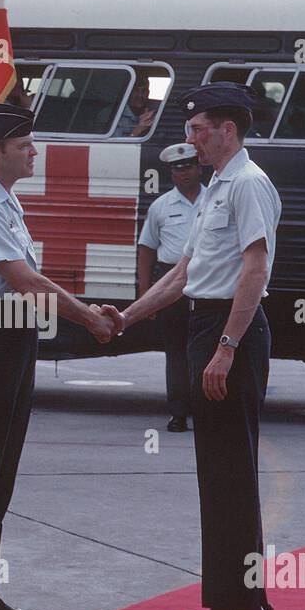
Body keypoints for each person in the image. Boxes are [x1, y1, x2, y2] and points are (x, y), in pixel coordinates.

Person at [104, 83, 282, 610]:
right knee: (219, 470)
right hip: (209, 323)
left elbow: (255, 269)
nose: (191, 139)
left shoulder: (248, 184)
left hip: (231, 327)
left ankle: (240, 609)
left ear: (228, 130)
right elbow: (183, 273)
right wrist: (126, 318)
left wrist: (227, 346)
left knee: (230, 470)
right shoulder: (216, 188)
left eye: (198, 129)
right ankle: (239, 601)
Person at [0, 102, 117, 610]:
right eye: (24, 147)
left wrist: (81, 309)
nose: (34, 153)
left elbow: (31, 285)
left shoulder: (5, 201)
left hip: (12, 335)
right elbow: (26, 281)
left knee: (0, 470)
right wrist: (88, 316)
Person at [137, 142, 206, 432]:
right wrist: (145, 294)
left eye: (188, 167)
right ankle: (178, 412)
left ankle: (205, 412)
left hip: (206, 280)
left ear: (199, 167)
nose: (183, 174)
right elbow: (146, 249)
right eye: (177, 170)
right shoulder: (161, 206)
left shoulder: (216, 200)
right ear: (171, 174)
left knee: (205, 350)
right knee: (176, 352)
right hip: (169, 280)